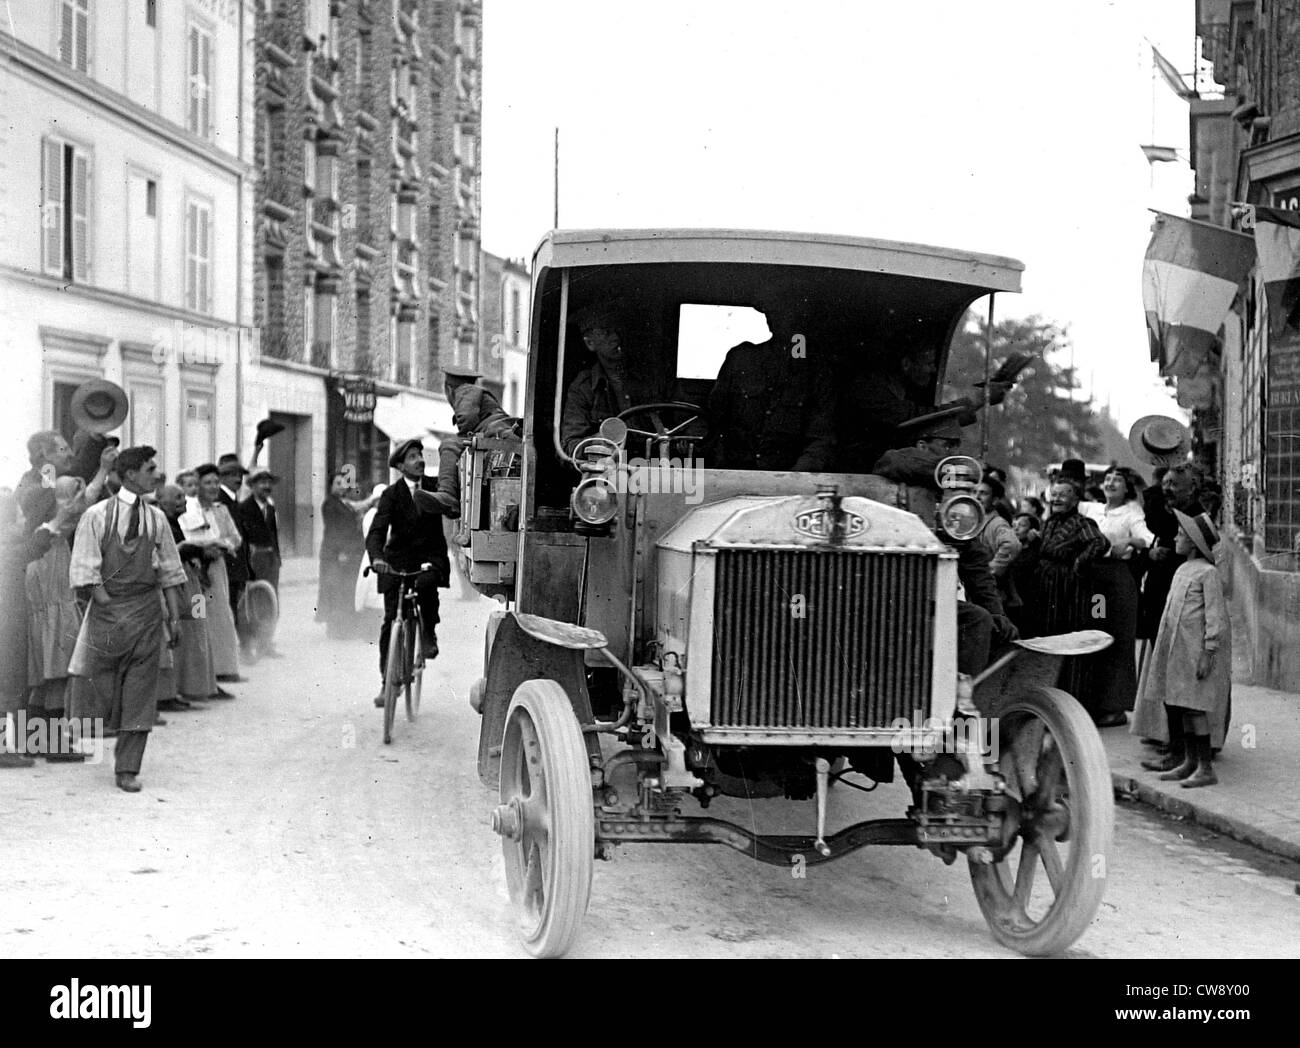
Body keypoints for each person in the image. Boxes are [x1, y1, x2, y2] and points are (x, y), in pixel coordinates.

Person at [68, 446, 185, 792]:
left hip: (148, 614)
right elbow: (86, 572)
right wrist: (112, 608)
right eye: (150, 469)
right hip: (108, 615)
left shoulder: (156, 518)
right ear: (131, 474)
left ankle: (127, 768)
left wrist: (175, 618)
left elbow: (170, 571)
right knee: (102, 691)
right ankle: (100, 735)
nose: (155, 475)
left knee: (140, 693)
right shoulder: (97, 515)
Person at [1135, 511, 1230, 788]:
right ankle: (1188, 760)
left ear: (1194, 542)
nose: (1176, 537)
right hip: (1175, 651)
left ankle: (1205, 767)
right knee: (1179, 704)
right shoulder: (1182, 569)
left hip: (1193, 652)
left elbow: (1215, 618)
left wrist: (1208, 652)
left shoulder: (1208, 573)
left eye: (1181, 535)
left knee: (1195, 708)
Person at [366, 438, 453, 707]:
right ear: (401, 466)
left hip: (428, 557)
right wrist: (378, 558)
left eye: (420, 455)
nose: (419, 460)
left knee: (427, 585)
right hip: (397, 561)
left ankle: (428, 634)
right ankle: (386, 683)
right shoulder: (391, 495)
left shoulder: (434, 486)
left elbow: (451, 500)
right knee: (391, 618)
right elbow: (377, 531)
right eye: (413, 457)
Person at [839, 343, 1012, 474]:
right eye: (928, 363)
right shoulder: (870, 390)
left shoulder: (899, 390)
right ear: (906, 363)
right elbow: (915, 419)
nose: (933, 369)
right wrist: (979, 399)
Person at [705, 305, 836, 472]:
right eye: (775, 314)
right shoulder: (741, 358)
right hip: (731, 472)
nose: (781, 321)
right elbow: (714, 417)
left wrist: (793, 480)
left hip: (786, 480)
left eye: (792, 316)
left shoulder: (816, 373)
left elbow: (821, 439)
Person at [1082, 466, 1156, 726]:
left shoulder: (1131, 513)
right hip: (1093, 583)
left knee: (1117, 640)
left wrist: (1129, 543)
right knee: (1094, 634)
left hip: (1116, 581)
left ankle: (1115, 707)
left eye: (1118, 480)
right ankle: (1094, 702)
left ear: (1127, 488)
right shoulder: (1090, 508)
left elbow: (1148, 539)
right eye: (1108, 479)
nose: (1111, 483)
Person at [24, 475, 88, 759]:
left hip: (44, 617)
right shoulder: (50, 532)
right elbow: (74, 509)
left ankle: (35, 741)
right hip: (57, 615)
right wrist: (100, 470)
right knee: (58, 681)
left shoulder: (36, 534)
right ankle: (53, 745)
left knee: (43, 682)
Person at [1035, 478, 1111, 708]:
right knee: (1048, 639)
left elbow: (1100, 543)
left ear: (1076, 499)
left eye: (1063, 495)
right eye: (1054, 494)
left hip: (1068, 589)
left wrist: (1079, 563)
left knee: (1070, 639)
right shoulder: (1048, 522)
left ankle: (1075, 701)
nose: (1056, 499)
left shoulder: (1081, 522)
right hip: (1046, 587)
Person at [561, 301, 671, 456]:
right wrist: (601, 440)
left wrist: (686, 440)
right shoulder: (583, 387)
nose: (616, 338)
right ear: (590, 343)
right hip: (610, 472)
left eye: (618, 330)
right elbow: (569, 446)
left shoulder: (655, 377)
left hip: (660, 466)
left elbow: (692, 421)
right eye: (605, 332)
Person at [182, 464, 244, 687]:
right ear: (197, 485)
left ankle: (224, 667)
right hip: (196, 568)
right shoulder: (190, 509)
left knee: (221, 614)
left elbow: (235, 537)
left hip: (217, 568)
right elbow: (187, 536)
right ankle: (203, 673)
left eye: (216, 482)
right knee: (199, 615)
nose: (213, 487)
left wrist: (223, 545)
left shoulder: (221, 510)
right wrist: (203, 549)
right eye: (208, 482)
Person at [429, 364, 520, 514]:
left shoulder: (465, 390)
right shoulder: (479, 393)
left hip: (494, 433)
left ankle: (447, 493)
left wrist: (460, 437)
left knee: (449, 445)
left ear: (448, 388)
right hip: (501, 433)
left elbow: (467, 418)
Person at [157, 484, 216, 705]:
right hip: (179, 587)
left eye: (183, 496)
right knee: (185, 633)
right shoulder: (163, 524)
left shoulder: (178, 524)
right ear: (162, 501)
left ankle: (203, 684)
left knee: (199, 626)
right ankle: (181, 687)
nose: (183, 501)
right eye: (177, 497)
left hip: (194, 584)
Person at [317, 470, 379, 638]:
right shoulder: (330, 504)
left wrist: (372, 500)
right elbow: (334, 531)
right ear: (330, 487)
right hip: (336, 554)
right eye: (337, 483)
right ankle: (336, 629)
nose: (341, 486)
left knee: (346, 589)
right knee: (336, 589)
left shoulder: (344, 502)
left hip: (346, 553)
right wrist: (342, 552)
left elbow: (358, 507)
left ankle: (344, 627)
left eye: (343, 482)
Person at [974, 476, 1021, 617]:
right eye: (975, 492)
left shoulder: (997, 523)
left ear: (994, 500)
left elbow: (1012, 545)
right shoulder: (975, 521)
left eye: (984, 493)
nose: (977, 497)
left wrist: (991, 570)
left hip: (994, 593)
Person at [1008, 512, 1043, 638]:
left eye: (1021, 525)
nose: (1016, 529)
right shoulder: (1011, 548)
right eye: (1013, 525)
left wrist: (1035, 542)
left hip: (1030, 600)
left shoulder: (1037, 549)